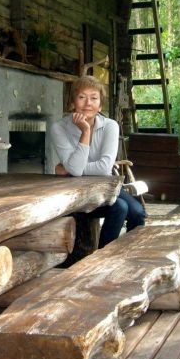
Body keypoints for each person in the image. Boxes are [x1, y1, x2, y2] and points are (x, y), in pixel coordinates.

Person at [50, 75, 145, 248]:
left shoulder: (110, 126)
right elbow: (77, 170)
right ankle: (103, 257)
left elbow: (104, 167)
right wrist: (85, 132)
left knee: (138, 212)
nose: (88, 103)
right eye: (82, 97)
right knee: (120, 207)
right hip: (76, 192)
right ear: (72, 103)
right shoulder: (59, 128)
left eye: (94, 98)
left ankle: (130, 253)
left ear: (100, 106)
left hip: (105, 186)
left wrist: (70, 169)